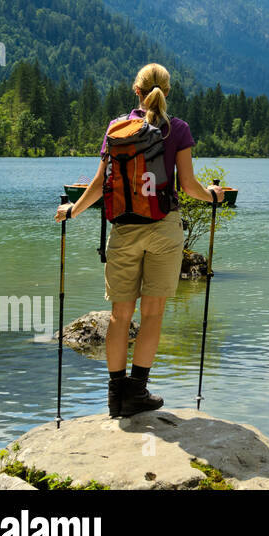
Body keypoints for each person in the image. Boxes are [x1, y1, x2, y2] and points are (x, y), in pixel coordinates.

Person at [56, 63, 223, 418]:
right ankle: (138, 391)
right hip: (164, 228)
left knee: (119, 315)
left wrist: (72, 210)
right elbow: (189, 186)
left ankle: (116, 397)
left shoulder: (117, 128)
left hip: (124, 229)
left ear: (136, 90)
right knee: (153, 312)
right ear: (168, 91)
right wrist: (214, 195)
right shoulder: (177, 129)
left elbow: (100, 184)